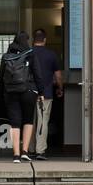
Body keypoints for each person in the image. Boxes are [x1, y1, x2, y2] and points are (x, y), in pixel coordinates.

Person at [0, 31, 37, 163]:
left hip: (10, 92)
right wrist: (41, 92)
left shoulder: (6, 56)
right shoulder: (30, 54)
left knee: (15, 122)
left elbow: (0, 77)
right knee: (28, 120)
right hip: (28, 91)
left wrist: (5, 90)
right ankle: (25, 151)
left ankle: (16, 155)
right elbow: (38, 75)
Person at [29, 29, 62, 160]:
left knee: (29, 121)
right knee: (43, 122)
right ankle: (40, 151)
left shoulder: (28, 54)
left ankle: (29, 148)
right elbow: (58, 76)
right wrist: (60, 88)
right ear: (45, 40)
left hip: (29, 93)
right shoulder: (51, 55)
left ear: (33, 40)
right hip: (46, 94)